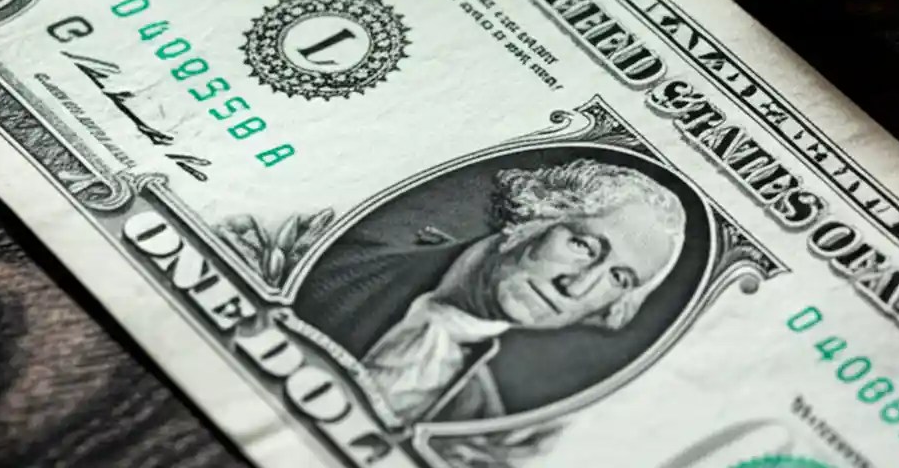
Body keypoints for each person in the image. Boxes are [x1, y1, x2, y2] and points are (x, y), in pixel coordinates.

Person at [293, 158, 688, 424]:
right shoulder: (337, 263)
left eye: (619, 279)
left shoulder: (479, 416)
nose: (576, 286)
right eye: (582, 246)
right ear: (533, 215)